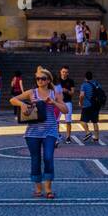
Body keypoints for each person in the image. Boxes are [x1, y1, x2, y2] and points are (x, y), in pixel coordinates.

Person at [12, 67, 68, 198]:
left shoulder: (55, 93)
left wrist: (53, 102)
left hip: (50, 130)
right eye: (38, 79)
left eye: (43, 79)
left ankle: (48, 188)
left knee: (48, 157)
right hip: (33, 131)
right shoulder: (32, 93)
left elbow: (65, 110)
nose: (40, 81)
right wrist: (22, 105)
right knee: (35, 159)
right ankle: (38, 187)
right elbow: (13, 99)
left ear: (48, 80)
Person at [79, 71, 103, 143]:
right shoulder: (96, 83)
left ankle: (88, 132)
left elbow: (82, 95)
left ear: (85, 77)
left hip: (87, 105)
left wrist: (80, 102)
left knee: (82, 121)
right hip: (96, 105)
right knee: (95, 122)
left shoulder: (84, 85)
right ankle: (96, 137)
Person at [57, 66, 75, 142]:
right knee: (56, 120)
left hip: (68, 102)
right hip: (59, 102)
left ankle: (68, 137)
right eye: (63, 71)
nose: (64, 73)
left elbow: (72, 93)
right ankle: (57, 135)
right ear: (60, 71)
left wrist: (67, 91)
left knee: (68, 121)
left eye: (66, 72)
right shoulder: (57, 81)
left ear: (68, 73)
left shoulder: (70, 81)